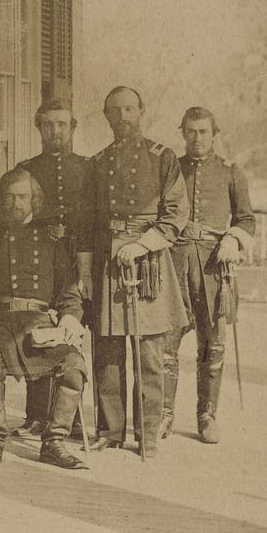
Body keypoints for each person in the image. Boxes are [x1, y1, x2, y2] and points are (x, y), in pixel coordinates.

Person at [78, 86, 190, 458]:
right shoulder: (96, 163)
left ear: (142, 111)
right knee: (107, 350)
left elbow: (175, 214)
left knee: (149, 353)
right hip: (107, 261)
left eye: (129, 109)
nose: (123, 116)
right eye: (115, 110)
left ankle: (147, 433)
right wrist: (86, 272)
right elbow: (86, 222)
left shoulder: (163, 158)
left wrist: (142, 245)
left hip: (148, 260)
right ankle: (110, 431)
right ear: (106, 116)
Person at [0, 168, 88, 472]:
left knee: (74, 366)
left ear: (34, 200)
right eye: (8, 197)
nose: (14, 203)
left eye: (22, 197)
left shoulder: (52, 242)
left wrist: (71, 318)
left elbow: (68, 290)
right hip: (3, 323)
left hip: (42, 325)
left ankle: (54, 442)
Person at [163, 107, 255, 444]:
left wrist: (232, 238)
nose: (197, 138)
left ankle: (207, 415)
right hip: (174, 264)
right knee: (166, 341)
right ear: (183, 133)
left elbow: (246, 220)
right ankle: (163, 415)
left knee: (212, 344)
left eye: (203, 131)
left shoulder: (231, 173)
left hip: (214, 268)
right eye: (190, 131)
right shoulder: (170, 170)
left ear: (214, 134)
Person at [14, 98, 90, 439]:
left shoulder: (88, 169)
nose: (55, 131)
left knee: (75, 332)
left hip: (80, 257)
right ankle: (36, 415)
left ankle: (70, 417)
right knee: (38, 326)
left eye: (61, 124)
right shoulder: (27, 169)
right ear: (38, 128)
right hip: (42, 257)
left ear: (72, 127)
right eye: (48, 124)